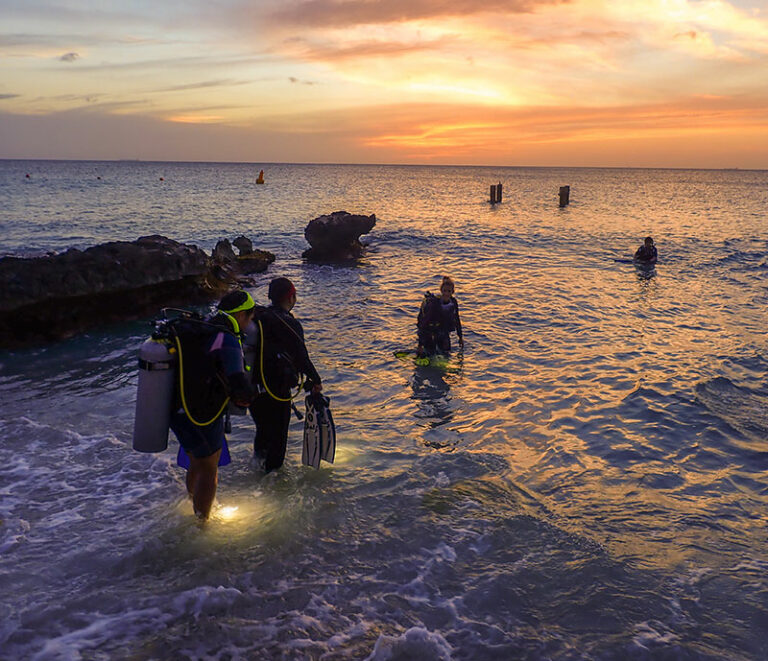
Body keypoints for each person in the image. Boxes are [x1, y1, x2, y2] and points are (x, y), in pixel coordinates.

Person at [169, 290, 255, 520]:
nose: (250, 323)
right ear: (241, 315)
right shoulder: (227, 338)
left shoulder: (202, 327)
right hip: (202, 414)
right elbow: (237, 379)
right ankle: (202, 523)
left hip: (176, 408)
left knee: (195, 460)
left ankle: (191, 502)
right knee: (209, 468)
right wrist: (252, 397)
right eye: (250, 317)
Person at [249, 277, 322, 472]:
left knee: (262, 431)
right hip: (277, 390)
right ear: (291, 297)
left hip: (253, 388)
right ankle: (272, 482)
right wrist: (316, 379)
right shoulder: (289, 323)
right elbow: (301, 357)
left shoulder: (256, 318)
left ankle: (256, 468)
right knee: (278, 437)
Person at [417, 276, 464, 358]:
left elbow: (457, 320)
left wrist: (460, 337)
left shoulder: (453, 302)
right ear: (441, 291)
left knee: (446, 352)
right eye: (444, 291)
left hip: (443, 331)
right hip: (429, 330)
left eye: (449, 291)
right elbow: (424, 323)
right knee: (429, 352)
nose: (446, 293)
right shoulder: (434, 304)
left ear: (452, 292)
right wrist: (420, 344)